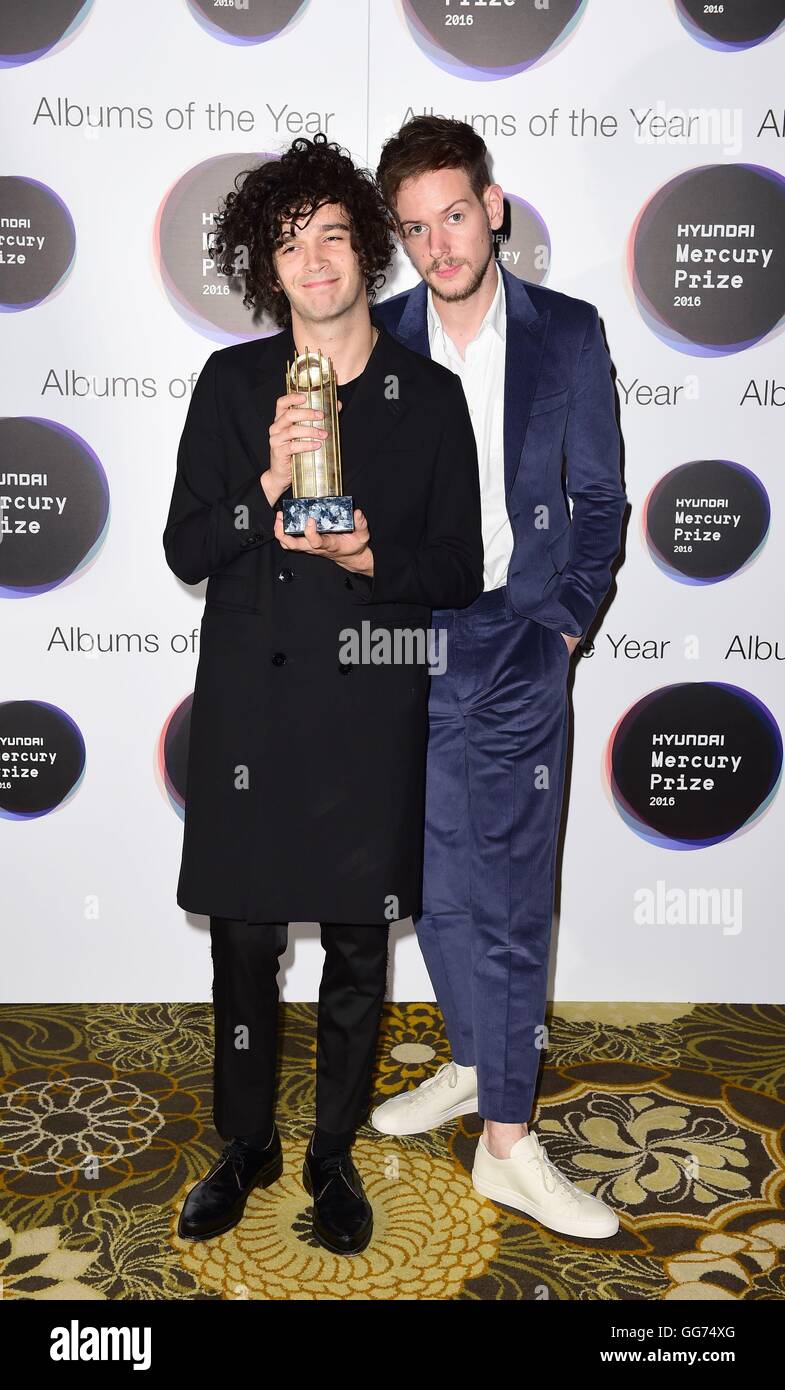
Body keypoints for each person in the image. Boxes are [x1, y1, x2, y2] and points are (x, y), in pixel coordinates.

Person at [163, 133, 483, 1256]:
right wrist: (261, 482)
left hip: (369, 703)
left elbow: (458, 566)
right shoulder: (229, 383)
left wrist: (367, 562)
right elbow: (185, 548)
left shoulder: (428, 397)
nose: (313, 263)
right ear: (267, 266)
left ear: (365, 252)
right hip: (254, 701)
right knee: (244, 942)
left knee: (357, 947)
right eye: (288, 245)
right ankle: (243, 1143)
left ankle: (330, 1153)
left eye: (332, 237)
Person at [369, 116, 627, 1240]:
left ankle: (509, 1143)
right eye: (415, 228)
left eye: (454, 215)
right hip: (405, 642)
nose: (438, 244)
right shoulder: (370, 341)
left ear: (495, 207)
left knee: (514, 896)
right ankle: (472, 1061)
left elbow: (602, 506)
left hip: (520, 637)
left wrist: (562, 632)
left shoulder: (565, 335)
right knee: (433, 879)